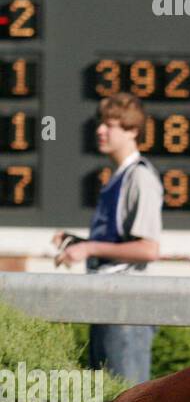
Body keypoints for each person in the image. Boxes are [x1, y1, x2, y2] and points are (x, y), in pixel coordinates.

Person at [53, 93, 164, 386]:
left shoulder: (140, 178)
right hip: (107, 305)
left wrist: (88, 247)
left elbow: (149, 249)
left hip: (126, 311)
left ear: (133, 131)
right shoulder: (118, 177)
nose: (100, 131)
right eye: (101, 124)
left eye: (110, 125)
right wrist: (76, 242)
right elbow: (116, 245)